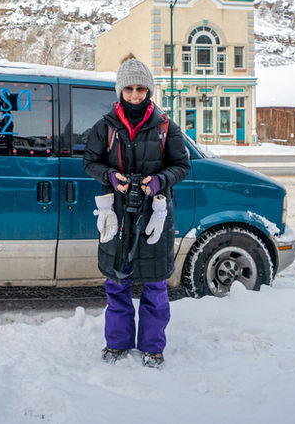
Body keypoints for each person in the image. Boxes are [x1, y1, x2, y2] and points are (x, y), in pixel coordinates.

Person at [83, 56, 190, 368]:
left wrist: (158, 181)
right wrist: (110, 177)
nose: (134, 95)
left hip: (154, 214)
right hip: (116, 214)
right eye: (128, 88)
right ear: (120, 90)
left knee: (155, 284)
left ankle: (153, 346)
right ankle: (117, 343)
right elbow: (90, 162)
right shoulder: (104, 127)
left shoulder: (166, 127)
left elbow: (181, 165)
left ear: (149, 90)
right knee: (117, 282)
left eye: (140, 89)